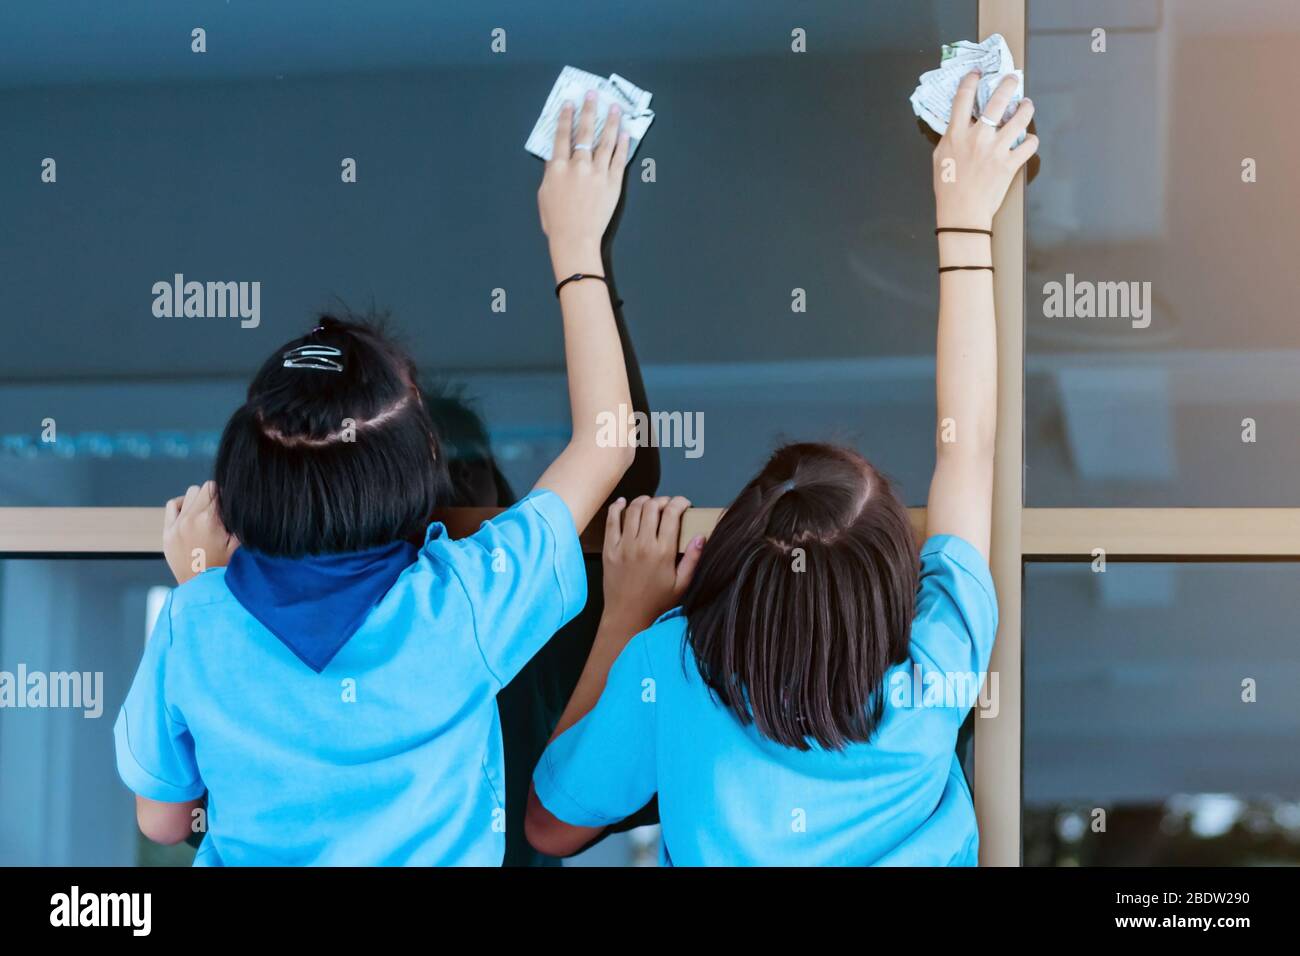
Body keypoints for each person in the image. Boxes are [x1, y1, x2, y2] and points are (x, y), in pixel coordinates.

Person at [524, 73, 1037, 865]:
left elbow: (552, 828)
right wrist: (966, 221)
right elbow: (965, 451)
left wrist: (626, 616)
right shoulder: (932, 677)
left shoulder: (674, 667)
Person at [114, 92, 636, 865]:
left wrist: (204, 583)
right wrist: (575, 243)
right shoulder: (462, 601)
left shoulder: (197, 622)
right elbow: (607, 442)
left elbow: (163, 821)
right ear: (416, 480)